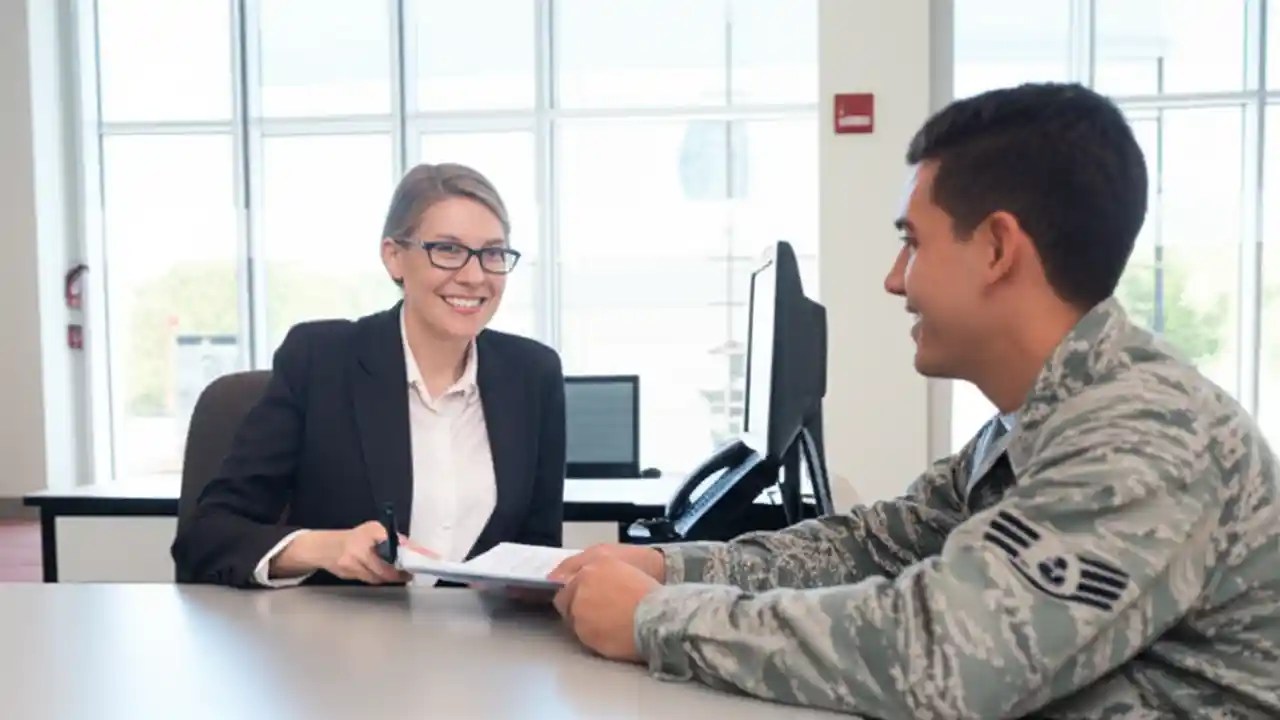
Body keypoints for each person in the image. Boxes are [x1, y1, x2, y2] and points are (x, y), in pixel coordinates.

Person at [547, 83, 1280, 718]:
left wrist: (657, 622)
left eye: (914, 243)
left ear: (997, 249)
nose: (896, 280)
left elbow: (949, 658)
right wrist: (674, 570)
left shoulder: (1147, 431)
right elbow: (879, 546)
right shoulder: (1047, 414)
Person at [172, 162, 566, 588]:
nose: (474, 276)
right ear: (394, 257)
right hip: (343, 646)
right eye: (448, 250)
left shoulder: (533, 375)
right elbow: (206, 536)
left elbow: (536, 551)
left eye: (492, 253)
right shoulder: (320, 360)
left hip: (483, 646)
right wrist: (325, 548)